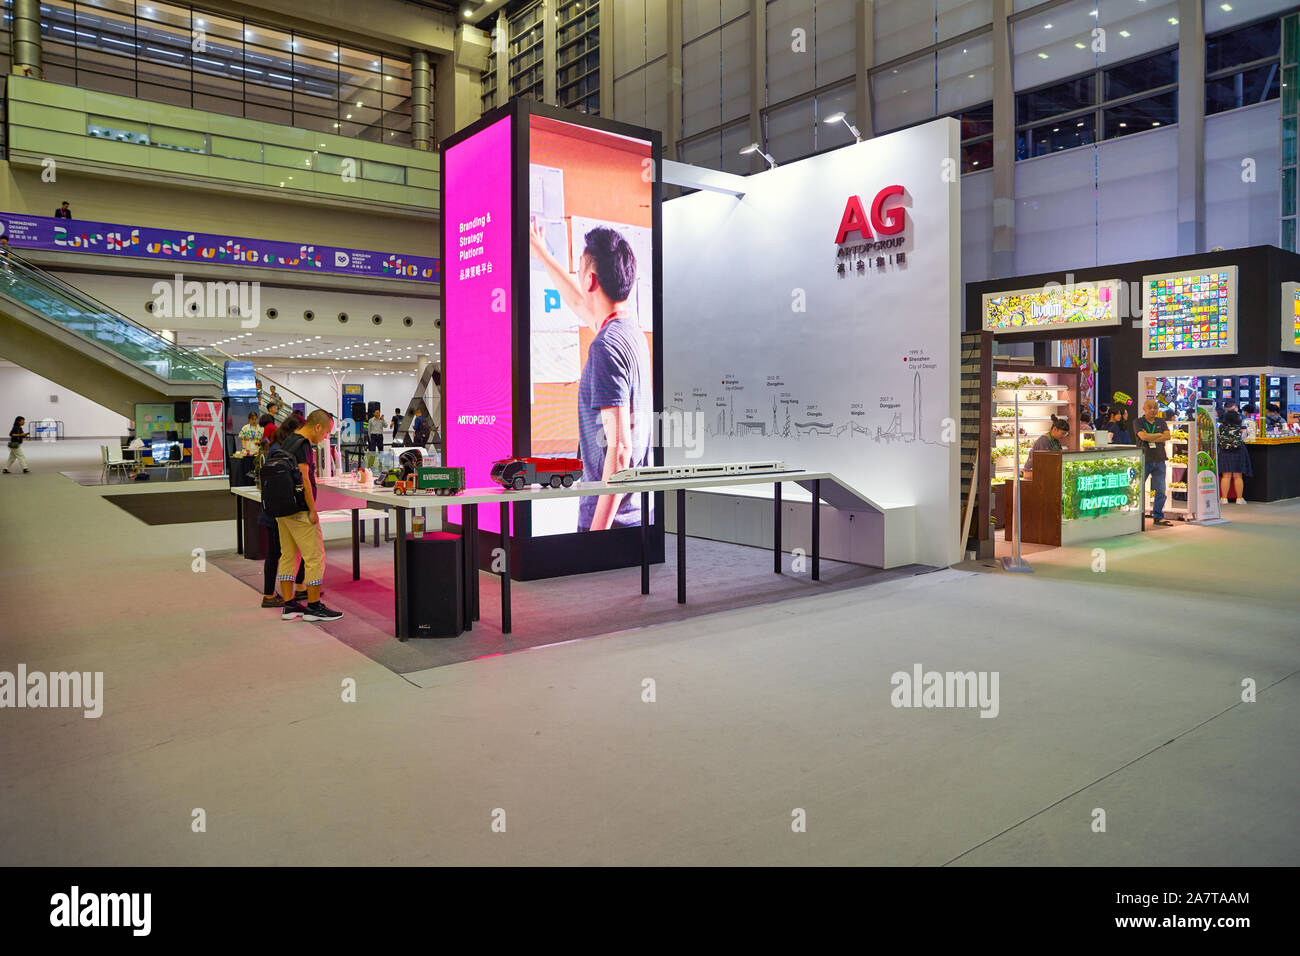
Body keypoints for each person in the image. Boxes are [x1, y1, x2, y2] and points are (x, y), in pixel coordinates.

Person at [529, 222, 652, 531]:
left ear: (591, 280)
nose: (578, 278)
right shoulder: (629, 332)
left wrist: (596, 534)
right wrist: (541, 253)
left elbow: (620, 449)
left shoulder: (605, 347)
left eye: (580, 270)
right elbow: (577, 301)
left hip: (612, 521)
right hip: (633, 513)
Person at [274, 410, 343, 622]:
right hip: (300, 510)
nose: (324, 438)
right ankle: (314, 607)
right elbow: (304, 479)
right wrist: (312, 509)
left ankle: (289, 605)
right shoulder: (303, 445)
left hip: (282, 509)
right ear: (318, 427)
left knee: (288, 556)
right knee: (315, 558)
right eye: (326, 433)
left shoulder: (287, 441)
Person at [258, 413, 307, 607]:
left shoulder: (276, 447)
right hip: (281, 510)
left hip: (272, 509)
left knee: (279, 552)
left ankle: (295, 588)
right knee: (283, 552)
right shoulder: (284, 450)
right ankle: (273, 595)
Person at [1135, 399, 1172, 526]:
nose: (1153, 410)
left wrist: (1151, 436)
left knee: (1161, 490)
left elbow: (1167, 436)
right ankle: (1135, 515)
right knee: (1137, 488)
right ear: (1144, 409)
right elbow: (1143, 437)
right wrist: (1158, 435)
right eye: (1150, 407)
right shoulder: (1138, 422)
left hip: (1160, 459)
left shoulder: (1161, 421)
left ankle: (1158, 516)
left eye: (1155, 407)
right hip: (1145, 459)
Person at [1218, 400, 1251, 504]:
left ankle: (1224, 498)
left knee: (1226, 475)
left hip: (1224, 450)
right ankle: (1239, 498)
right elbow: (1245, 438)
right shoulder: (1242, 427)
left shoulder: (1221, 427)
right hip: (1238, 450)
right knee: (1238, 475)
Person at [1022, 415, 1069, 480]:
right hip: (1032, 473)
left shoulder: (1056, 440)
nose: (1063, 436)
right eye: (1062, 433)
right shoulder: (1044, 441)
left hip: (1042, 473)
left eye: (1065, 434)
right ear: (1055, 429)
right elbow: (1044, 462)